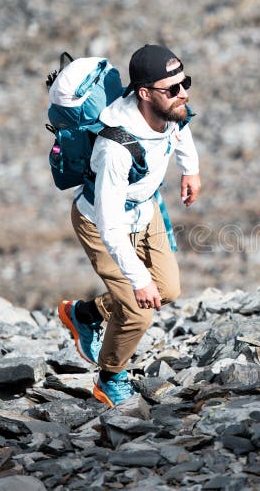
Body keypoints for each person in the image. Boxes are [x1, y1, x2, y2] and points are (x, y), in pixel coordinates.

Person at [58, 44, 201, 407]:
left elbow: (180, 129)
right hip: (104, 224)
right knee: (139, 310)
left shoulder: (167, 108)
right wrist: (137, 279)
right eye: (172, 88)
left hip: (145, 210)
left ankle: (84, 314)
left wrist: (190, 169)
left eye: (185, 83)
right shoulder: (115, 147)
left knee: (167, 289)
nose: (182, 93)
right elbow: (109, 224)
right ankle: (110, 377)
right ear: (144, 94)